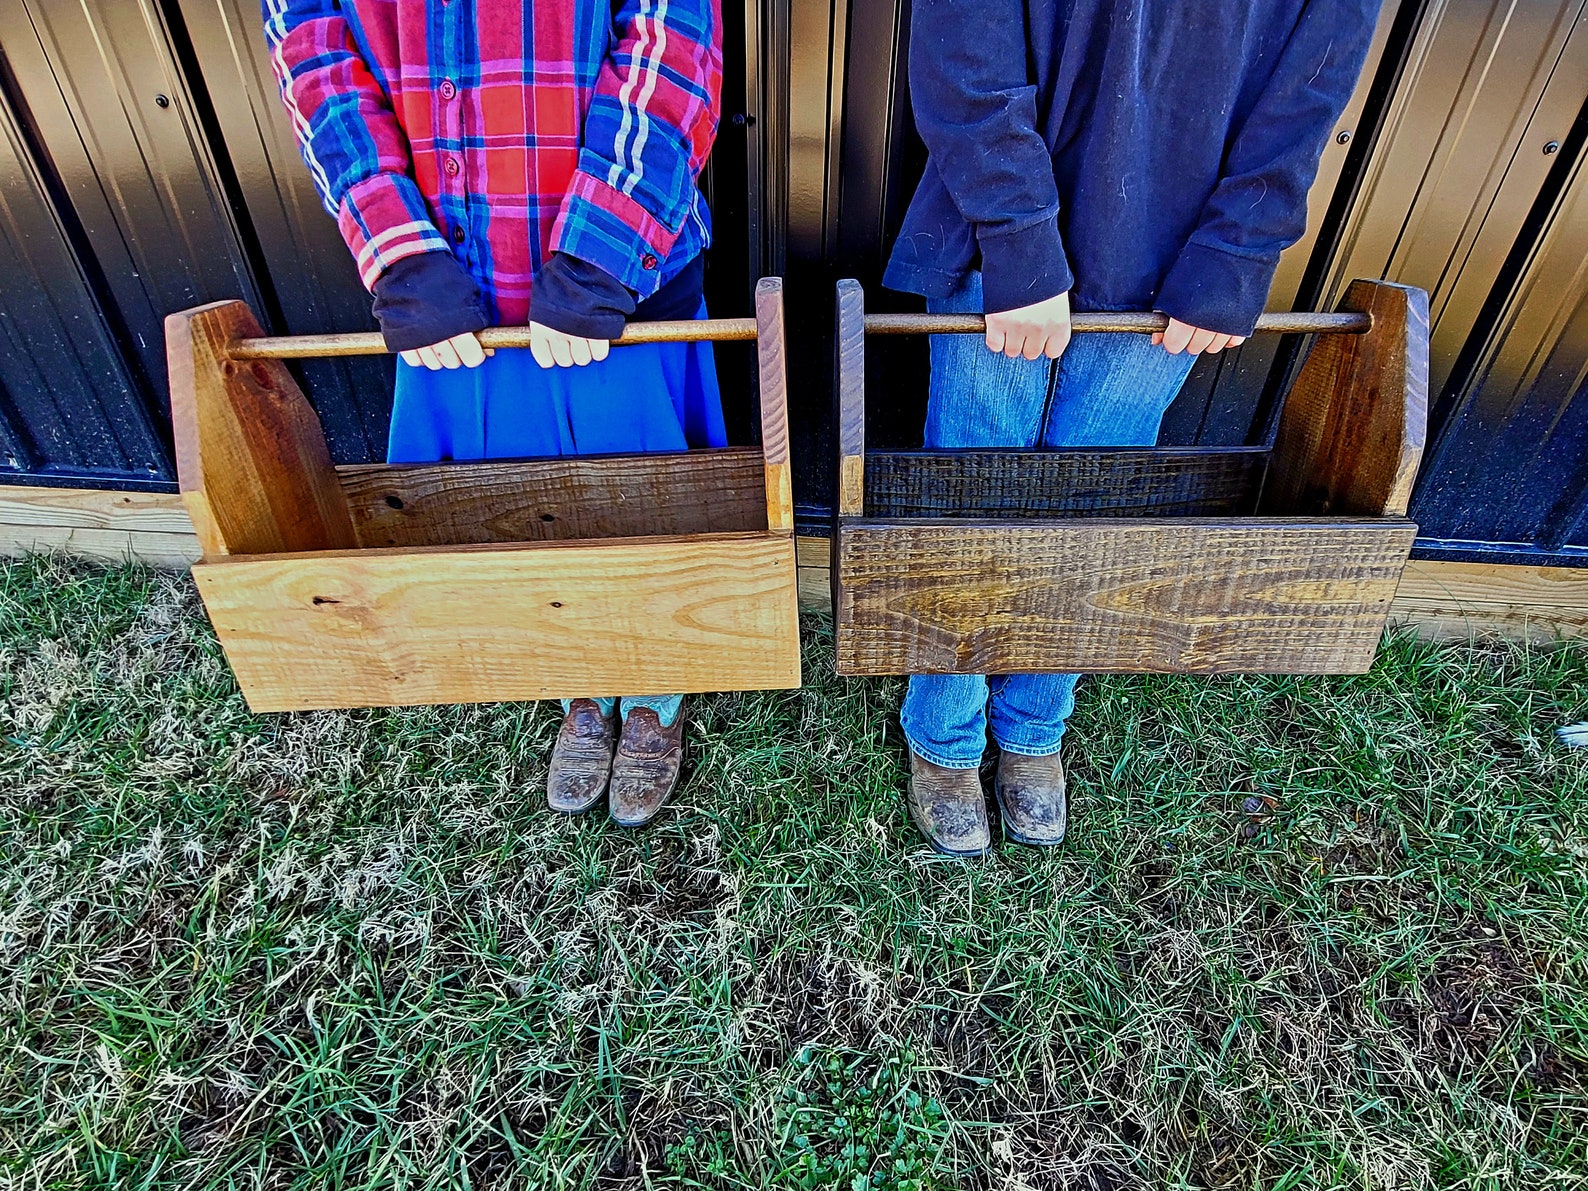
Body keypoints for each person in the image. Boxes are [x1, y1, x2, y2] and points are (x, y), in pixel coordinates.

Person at [884, 0, 1382, 856]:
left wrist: (1238, 249)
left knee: (1097, 504)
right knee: (972, 490)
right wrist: (1017, 235)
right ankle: (945, 732)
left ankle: (1036, 722)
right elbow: (964, 36)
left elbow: (1313, 76)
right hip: (993, 230)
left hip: (1171, 254)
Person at [266, 0, 723, 827]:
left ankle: (655, 692)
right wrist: (398, 247)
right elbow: (313, 54)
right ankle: (578, 685)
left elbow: (673, 38)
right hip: (450, 283)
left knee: (641, 498)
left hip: (619, 265)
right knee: (506, 507)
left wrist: (598, 253)